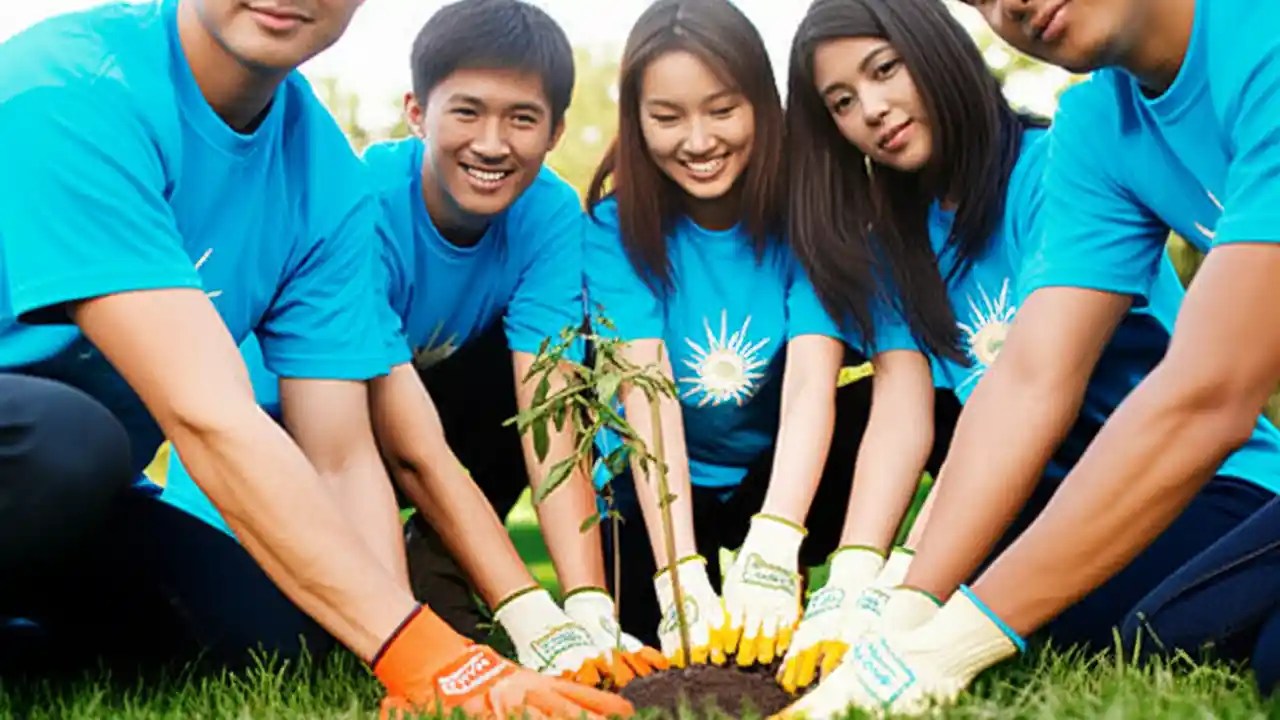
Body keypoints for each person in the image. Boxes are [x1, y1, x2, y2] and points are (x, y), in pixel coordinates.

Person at [0, 1, 632, 717]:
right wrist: (430, 655)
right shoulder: (75, 81)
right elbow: (205, 413)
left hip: (91, 487)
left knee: (288, 630)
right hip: (45, 444)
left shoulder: (324, 176)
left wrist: (406, 656)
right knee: (65, 441)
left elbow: (340, 452)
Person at [779, 0, 1280, 714]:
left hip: (1217, 479)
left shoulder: (1263, 38)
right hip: (1103, 486)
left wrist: (958, 643)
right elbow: (1027, 382)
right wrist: (905, 611)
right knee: (1165, 633)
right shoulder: (1098, 129)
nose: (1009, 3)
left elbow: (1210, 393)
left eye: (885, 70)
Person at [160, 0, 665, 688]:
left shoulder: (548, 213)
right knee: (278, 645)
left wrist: (586, 608)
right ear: (417, 112)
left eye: (522, 119)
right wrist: (528, 613)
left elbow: (548, 413)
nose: (492, 143)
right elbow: (403, 441)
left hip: (397, 428)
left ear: (556, 132)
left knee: (523, 371)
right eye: (467, 111)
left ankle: (441, 577)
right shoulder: (360, 203)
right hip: (289, 444)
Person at [582, 0, 962, 670]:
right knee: (653, 654)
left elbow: (813, 380)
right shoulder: (615, 228)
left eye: (722, 110)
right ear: (637, 122)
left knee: (884, 395)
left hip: (775, 466)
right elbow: (647, 394)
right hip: (663, 489)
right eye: (667, 118)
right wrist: (677, 573)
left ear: (763, 102)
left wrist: (777, 536)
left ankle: (819, 581)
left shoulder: (809, 209)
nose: (698, 141)